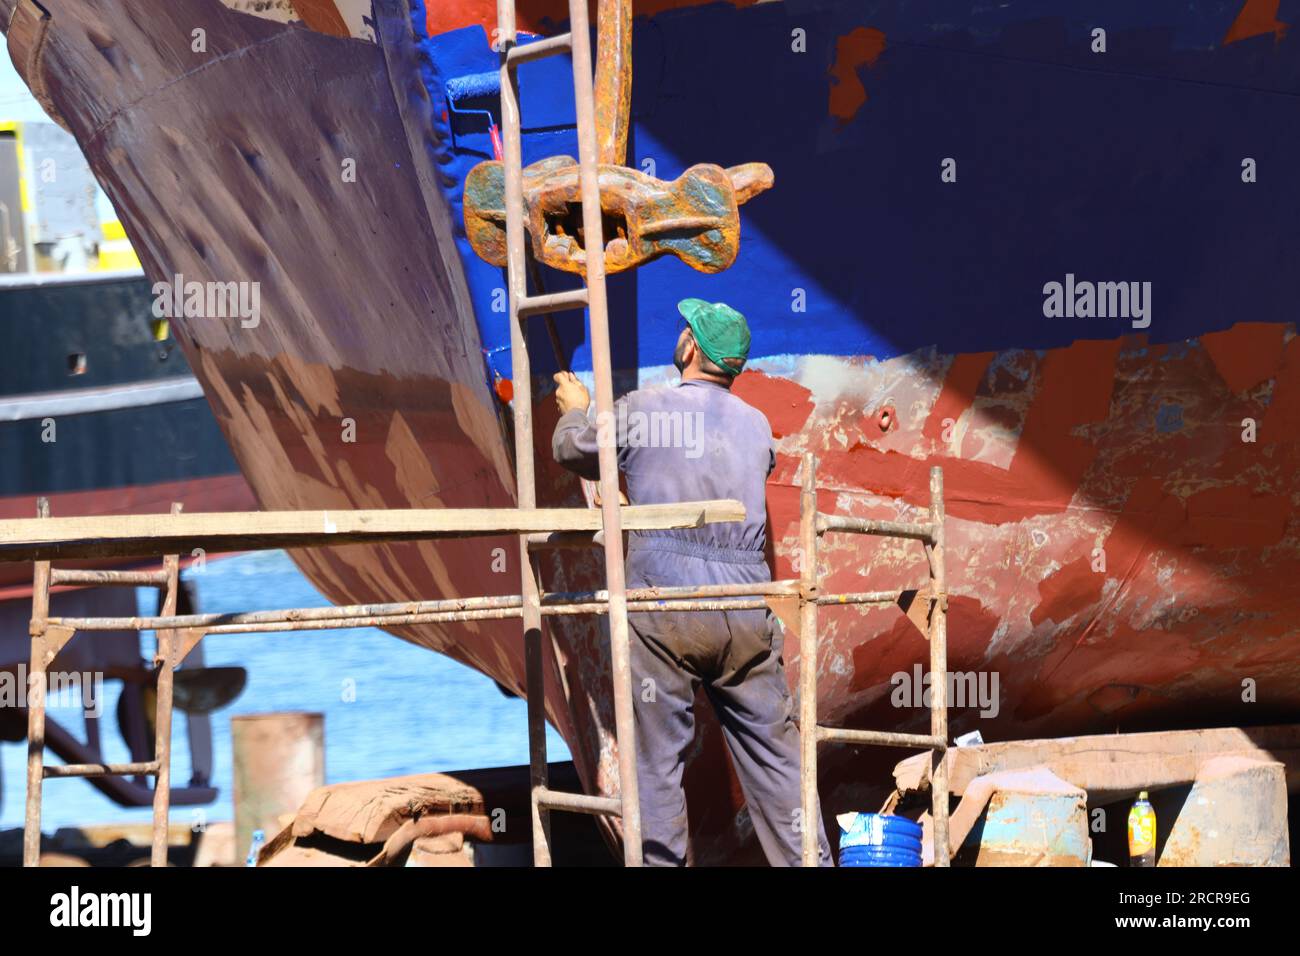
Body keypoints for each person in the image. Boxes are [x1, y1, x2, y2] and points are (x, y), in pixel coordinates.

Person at [551, 297, 833, 866]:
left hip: (667, 602)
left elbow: (570, 450)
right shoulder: (757, 424)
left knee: (657, 766)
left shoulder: (642, 408)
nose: (678, 333)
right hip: (746, 606)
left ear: (692, 349)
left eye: (685, 330)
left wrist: (575, 408)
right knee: (778, 766)